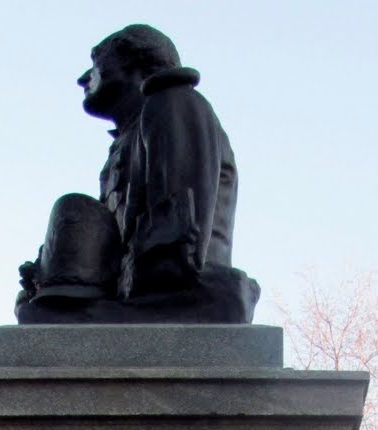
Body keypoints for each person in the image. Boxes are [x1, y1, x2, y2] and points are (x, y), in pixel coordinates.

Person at [16, 25, 258, 324]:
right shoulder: (126, 140)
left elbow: (175, 247)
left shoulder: (173, 103)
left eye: (96, 61)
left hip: (180, 292)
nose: (83, 78)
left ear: (133, 60)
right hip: (137, 292)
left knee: (43, 317)